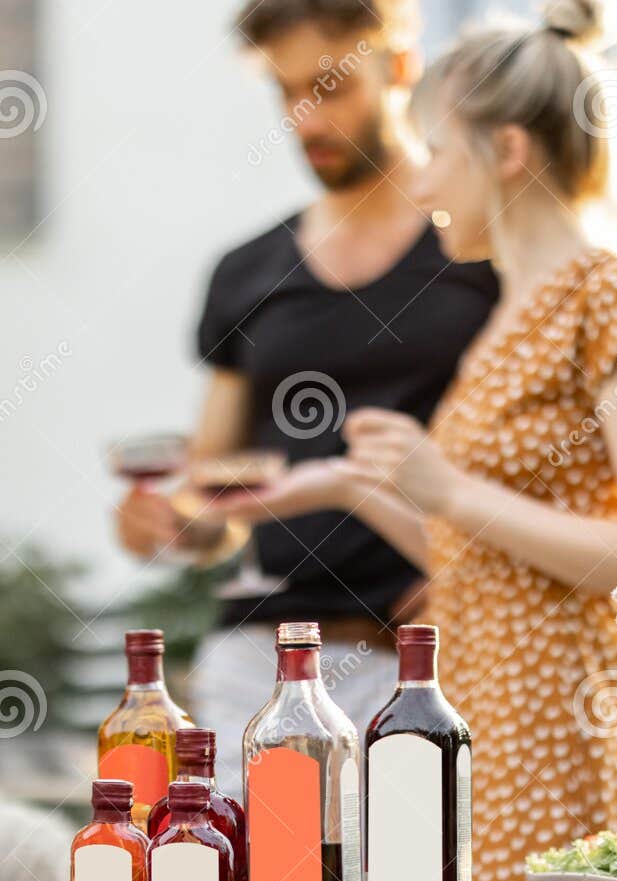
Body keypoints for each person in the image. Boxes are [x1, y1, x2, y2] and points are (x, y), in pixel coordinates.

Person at [343, 0, 617, 881]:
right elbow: (487, 556)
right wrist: (358, 491)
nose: (418, 176)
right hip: (482, 723)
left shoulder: (610, 296)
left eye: (433, 147)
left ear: (507, 151)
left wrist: (450, 488)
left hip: (567, 727)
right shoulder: (507, 312)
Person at [115, 0, 499, 799]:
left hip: (426, 661)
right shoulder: (245, 273)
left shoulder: (479, 252)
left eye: (331, 88)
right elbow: (217, 496)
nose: (304, 118)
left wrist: (478, 569)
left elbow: (533, 456)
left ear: (401, 68)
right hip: (260, 661)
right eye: (285, 93)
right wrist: (170, 521)